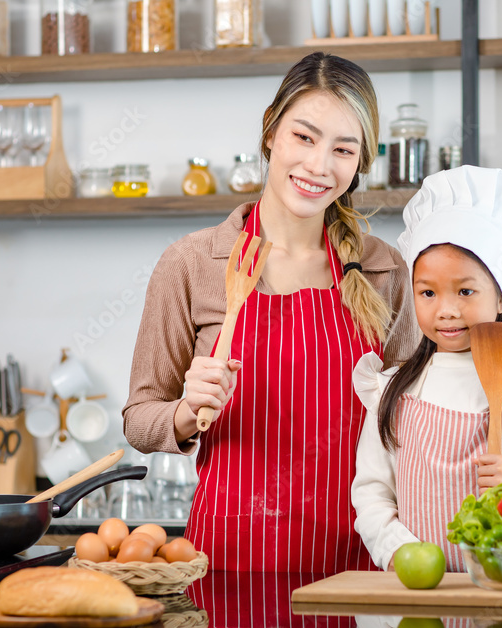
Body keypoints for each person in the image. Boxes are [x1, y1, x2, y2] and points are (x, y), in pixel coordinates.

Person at [122, 52, 419, 572]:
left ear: (359, 164)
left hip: (361, 559)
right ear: (270, 133)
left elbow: (415, 417)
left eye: (342, 149)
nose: (318, 166)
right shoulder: (192, 263)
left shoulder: (384, 269)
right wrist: (188, 411)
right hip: (231, 557)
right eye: (304, 137)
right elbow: (139, 419)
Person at [350, 166, 502, 573]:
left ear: (499, 297)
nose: (446, 310)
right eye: (427, 292)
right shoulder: (391, 391)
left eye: (465, 290)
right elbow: (372, 494)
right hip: (417, 601)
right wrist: (399, 553)